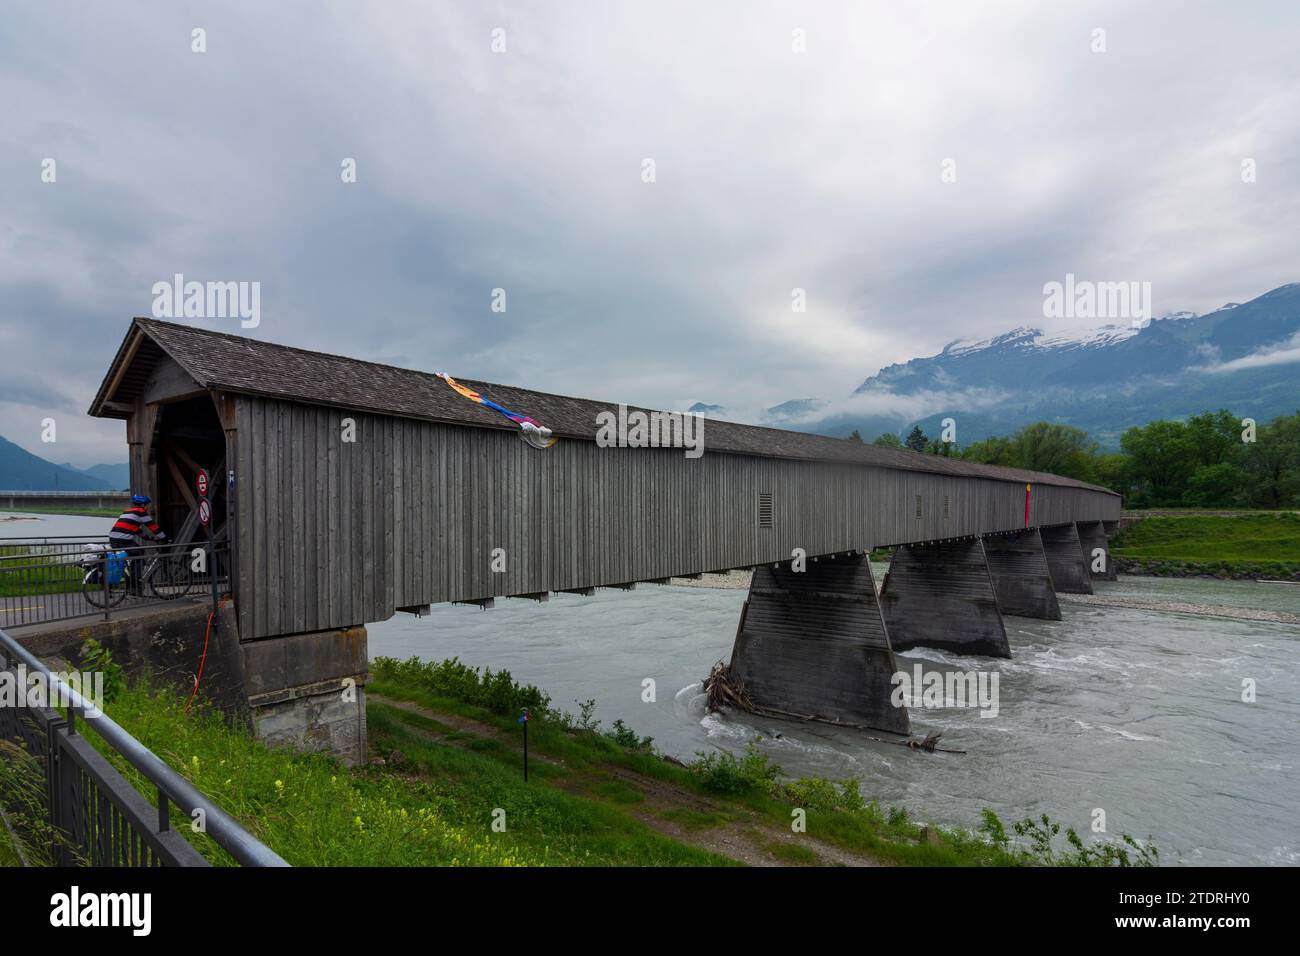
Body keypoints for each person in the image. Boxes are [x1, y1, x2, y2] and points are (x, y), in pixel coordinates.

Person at [108, 494, 168, 594]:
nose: (148, 507)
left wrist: (148, 538)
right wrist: (165, 538)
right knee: (139, 555)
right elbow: (153, 527)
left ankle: (129, 581)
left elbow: (134, 528)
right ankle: (134, 585)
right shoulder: (141, 512)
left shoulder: (127, 511)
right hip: (124, 540)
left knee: (133, 557)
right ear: (143, 505)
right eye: (148, 505)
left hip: (113, 539)